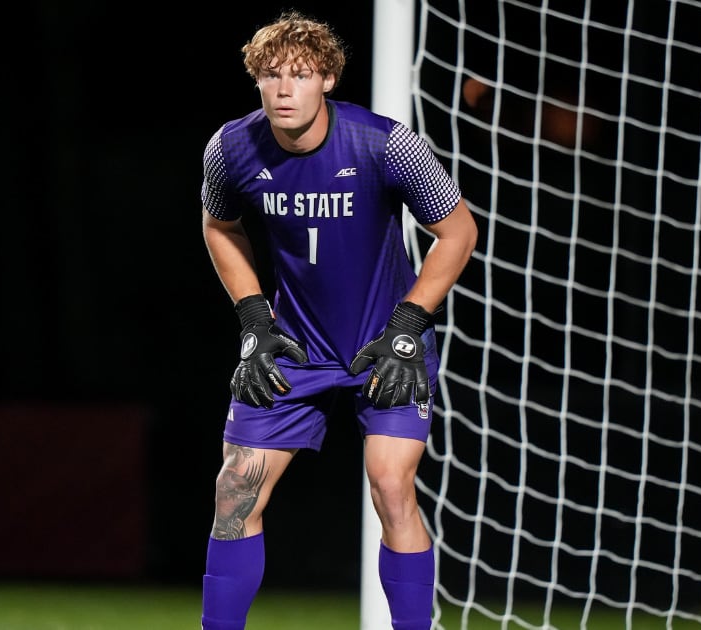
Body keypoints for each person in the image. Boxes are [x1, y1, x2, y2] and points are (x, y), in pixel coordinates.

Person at [199, 10, 478, 630]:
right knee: (233, 493)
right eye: (270, 76)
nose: (283, 89)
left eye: (298, 75)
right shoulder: (232, 148)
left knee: (390, 485)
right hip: (291, 348)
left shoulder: (383, 142)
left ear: (326, 78)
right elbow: (220, 227)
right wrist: (251, 317)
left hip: (385, 346)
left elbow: (458, 232)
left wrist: (408, 325)